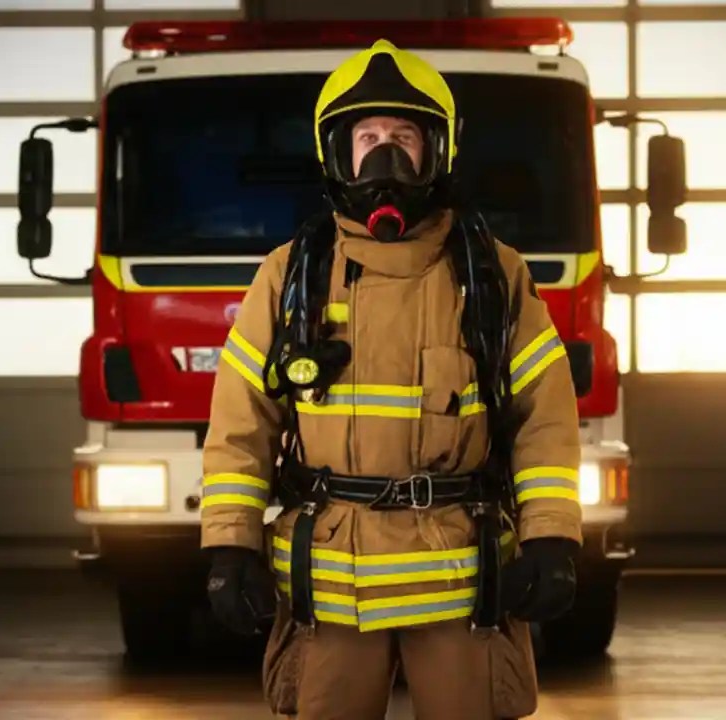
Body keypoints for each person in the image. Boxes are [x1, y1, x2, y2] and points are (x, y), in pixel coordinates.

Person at [199, 39, 584, 720]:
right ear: (336, 153)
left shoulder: (493, 274)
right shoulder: (291, 276)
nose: (386, 156)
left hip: (461, 580)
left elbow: (544, 419)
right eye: (368, 137)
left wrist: (552, 536)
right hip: (329, 578)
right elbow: (240, 425)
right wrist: (230, 546)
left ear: (437, 150)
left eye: (405, 136)